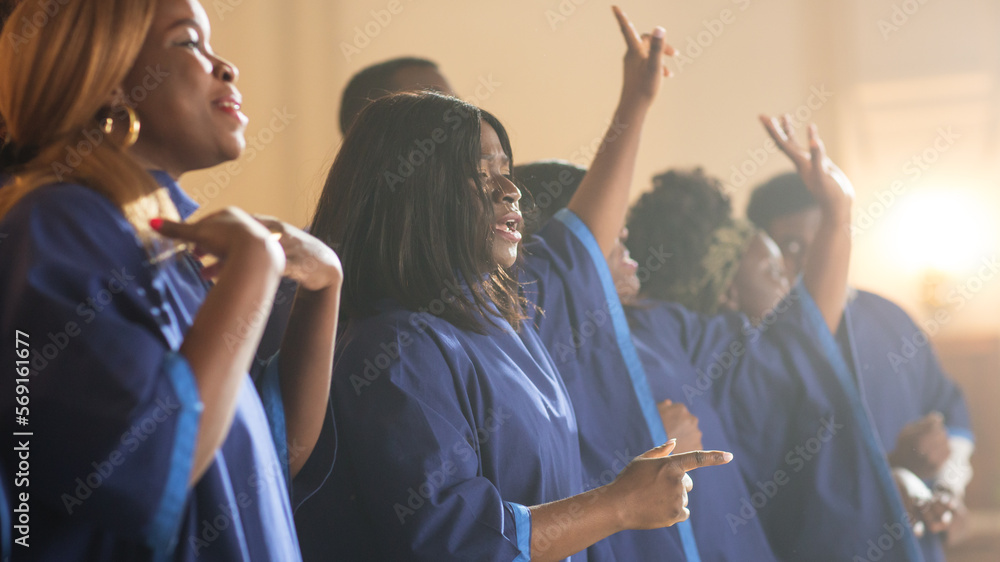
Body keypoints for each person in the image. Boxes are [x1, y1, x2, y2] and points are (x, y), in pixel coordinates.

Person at [294, 8, 733, 561]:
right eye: (480, 174)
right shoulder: (395, 348)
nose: (509, 188)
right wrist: (617, 506)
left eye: (506, 168)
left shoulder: (503, 322)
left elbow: (580, 246)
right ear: (413, 193)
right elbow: (453, 541)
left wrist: (637, 101)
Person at [0, 0, 342, 559]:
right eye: (188, 43)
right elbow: (149, 466)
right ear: (108, 81)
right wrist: (253, 274)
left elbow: (272, 456)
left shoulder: (166, 242)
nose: (224, 65)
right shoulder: (56, 225)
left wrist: (324, 285)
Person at [625, 116, 934, 562]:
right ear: (727, 290)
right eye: (771, 270)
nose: (787, 283)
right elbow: (805, 332)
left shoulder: (669, 342)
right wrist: (838, 212)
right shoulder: (720, 350)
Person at [516, 160, 778, 561]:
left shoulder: (658, 320)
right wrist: (640, 448)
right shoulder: (537, 355)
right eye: (606, 228)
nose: (624, 235)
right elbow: (541, 494)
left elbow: (782, 349)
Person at [748, 170, 975, 561]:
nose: (809, 259)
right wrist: (888, 474)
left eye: (823, 239)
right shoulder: (758, 344)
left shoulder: (892, 321)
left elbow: (950, 414)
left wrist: (947, 491)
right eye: (790, 245)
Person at [255, 56, 455, 363]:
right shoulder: (296, 270)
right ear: (368, 127)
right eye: (432, 106)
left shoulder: (470, 251)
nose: (458, 124)